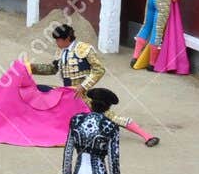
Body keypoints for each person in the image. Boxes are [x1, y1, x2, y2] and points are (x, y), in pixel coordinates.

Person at [27, 25, 159, 145]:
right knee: (41, 94)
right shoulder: (61, 52)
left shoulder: (84, 49)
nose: (56, 43)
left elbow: (99, 69)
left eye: (58, 40)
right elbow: (52, 69)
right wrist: (31, 68)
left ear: (67, 38)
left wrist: (83, 86)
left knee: (110, 116)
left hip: (81, 95)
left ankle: (147, 136)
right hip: (67, 93)